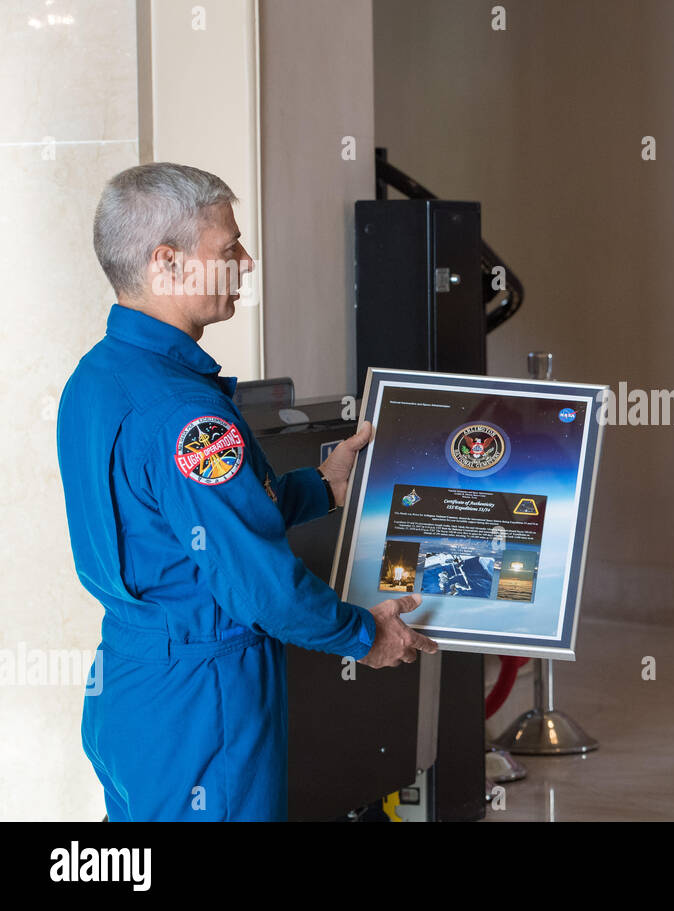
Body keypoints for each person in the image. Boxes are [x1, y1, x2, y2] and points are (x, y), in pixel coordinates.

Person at [57, 163, 437, 821]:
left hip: (129, 689)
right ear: (168, 264)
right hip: (204, 703)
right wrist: (365, 636)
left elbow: (182, 525)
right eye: (229, 247)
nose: (247, 261)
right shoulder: (187, 415)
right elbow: (262, 590)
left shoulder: (96, 378)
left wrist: (321, 486)